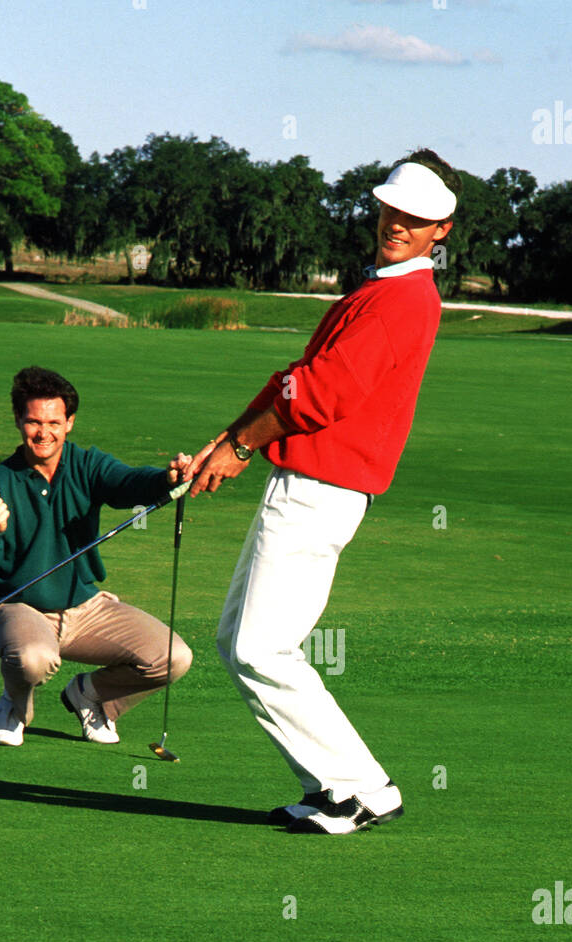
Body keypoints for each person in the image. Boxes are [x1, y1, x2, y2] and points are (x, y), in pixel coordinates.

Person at [185, 151, 458, 834]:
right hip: (313, 482)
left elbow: (319, 394)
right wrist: (229, 439)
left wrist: (243, 445)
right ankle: (333, 788)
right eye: (392, 209)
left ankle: (362, 788)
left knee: (260, 648)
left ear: (440, 230)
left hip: (320, 487)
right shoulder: (385, 289)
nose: (398, 223)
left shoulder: (400, 299)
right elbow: (296, 378)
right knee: (237, 640)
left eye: (416, 218)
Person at [0, 365, 191, 746]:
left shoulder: (87, 465)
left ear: (69, 423)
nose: (43, 432)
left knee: (173, 656)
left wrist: (165, 480)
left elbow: (127, 484)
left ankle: (90, 696)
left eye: (53, 422)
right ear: (18, 420)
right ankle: (14, 708)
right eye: (33, 421)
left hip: (86, 608)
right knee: (33, 658)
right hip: (21, 609)